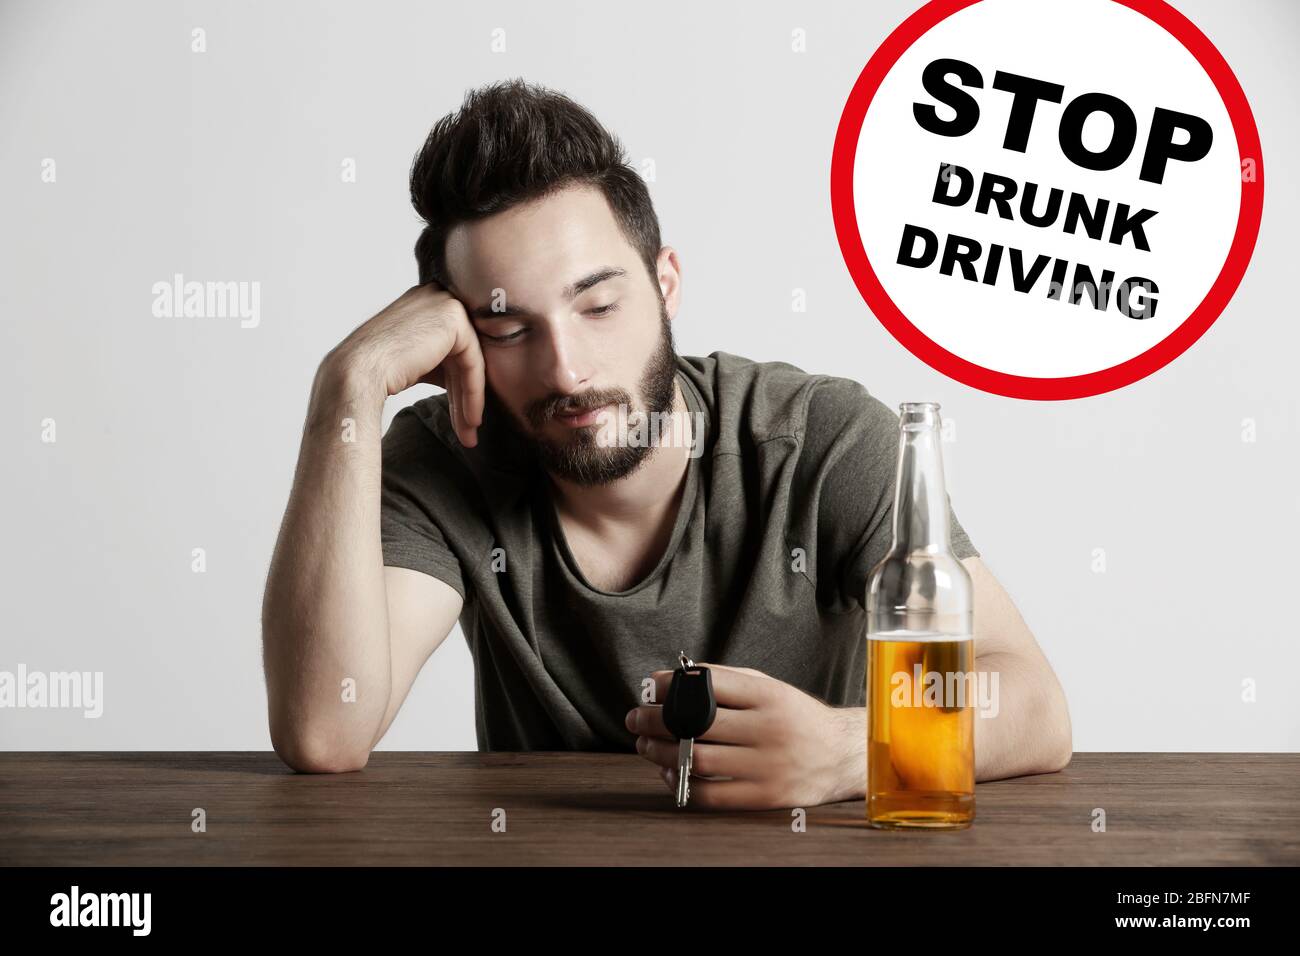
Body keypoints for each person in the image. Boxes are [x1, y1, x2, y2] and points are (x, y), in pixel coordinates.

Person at [261, 78, 1071, 810]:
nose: (568, 370)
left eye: (599, 307)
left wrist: (850, 752)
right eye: (507, 330)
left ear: (665, 283)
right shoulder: (445, 458)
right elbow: (326, 733)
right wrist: (351, 385)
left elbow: (1032, 705)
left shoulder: (823, 440)